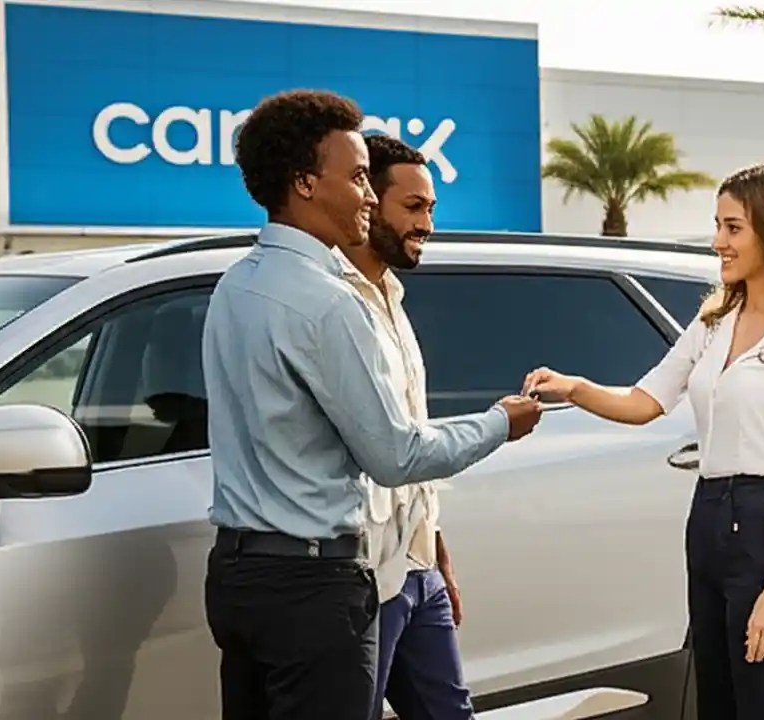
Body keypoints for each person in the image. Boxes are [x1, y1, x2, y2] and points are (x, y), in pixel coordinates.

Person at [201, 89, 543, 720]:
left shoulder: (235, 285)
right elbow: (396, 455)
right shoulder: (330, 303)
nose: (366, 193)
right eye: (358, 176)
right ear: (305, 183)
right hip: (314, 585)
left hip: (239, 577)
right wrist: (502, 423)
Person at [522, 160, 764, 720]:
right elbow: (645, 401)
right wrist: (575, 388)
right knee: (718, 705)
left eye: (733, 228)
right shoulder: (713, 323)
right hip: (709, 522)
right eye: (718, 226)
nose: (718, 242)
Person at [331, 132, 476, 720]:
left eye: (430, 208)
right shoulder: (331, 303)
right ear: (367, 200)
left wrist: (438, 554)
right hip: (366, 575)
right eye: (413, 207)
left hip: (418, 567)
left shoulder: (392, 297)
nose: (427, 225)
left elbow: (412, 433)